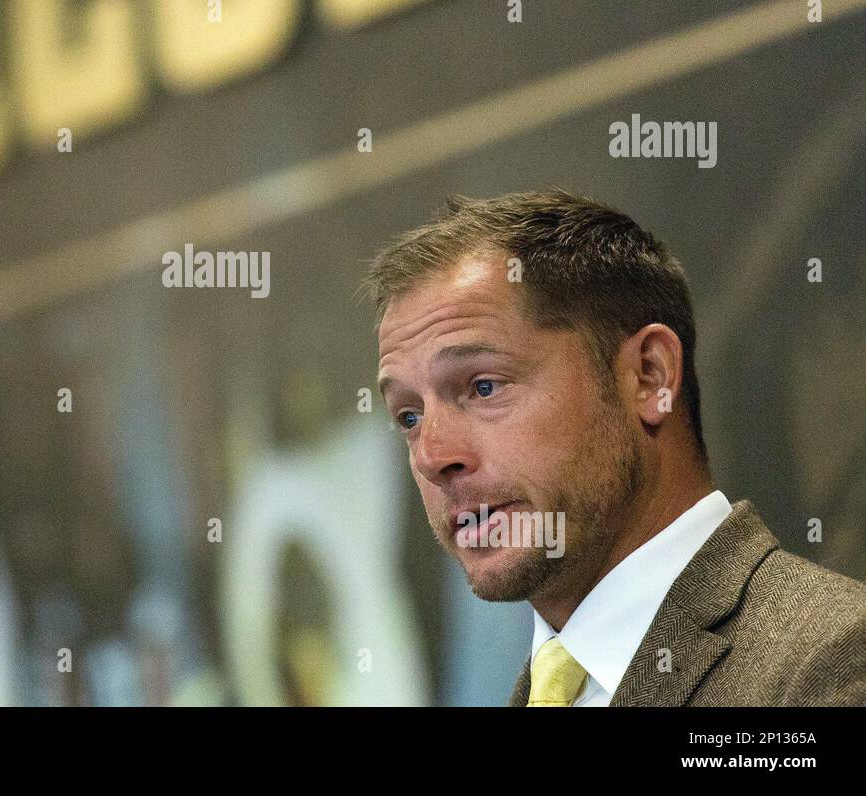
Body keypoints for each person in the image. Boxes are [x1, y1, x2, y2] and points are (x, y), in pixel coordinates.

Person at [363, 187, 866, 706]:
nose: (431, 455)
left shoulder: (832, 665)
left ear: (648, 377)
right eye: (409, 416)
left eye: (484, 386)